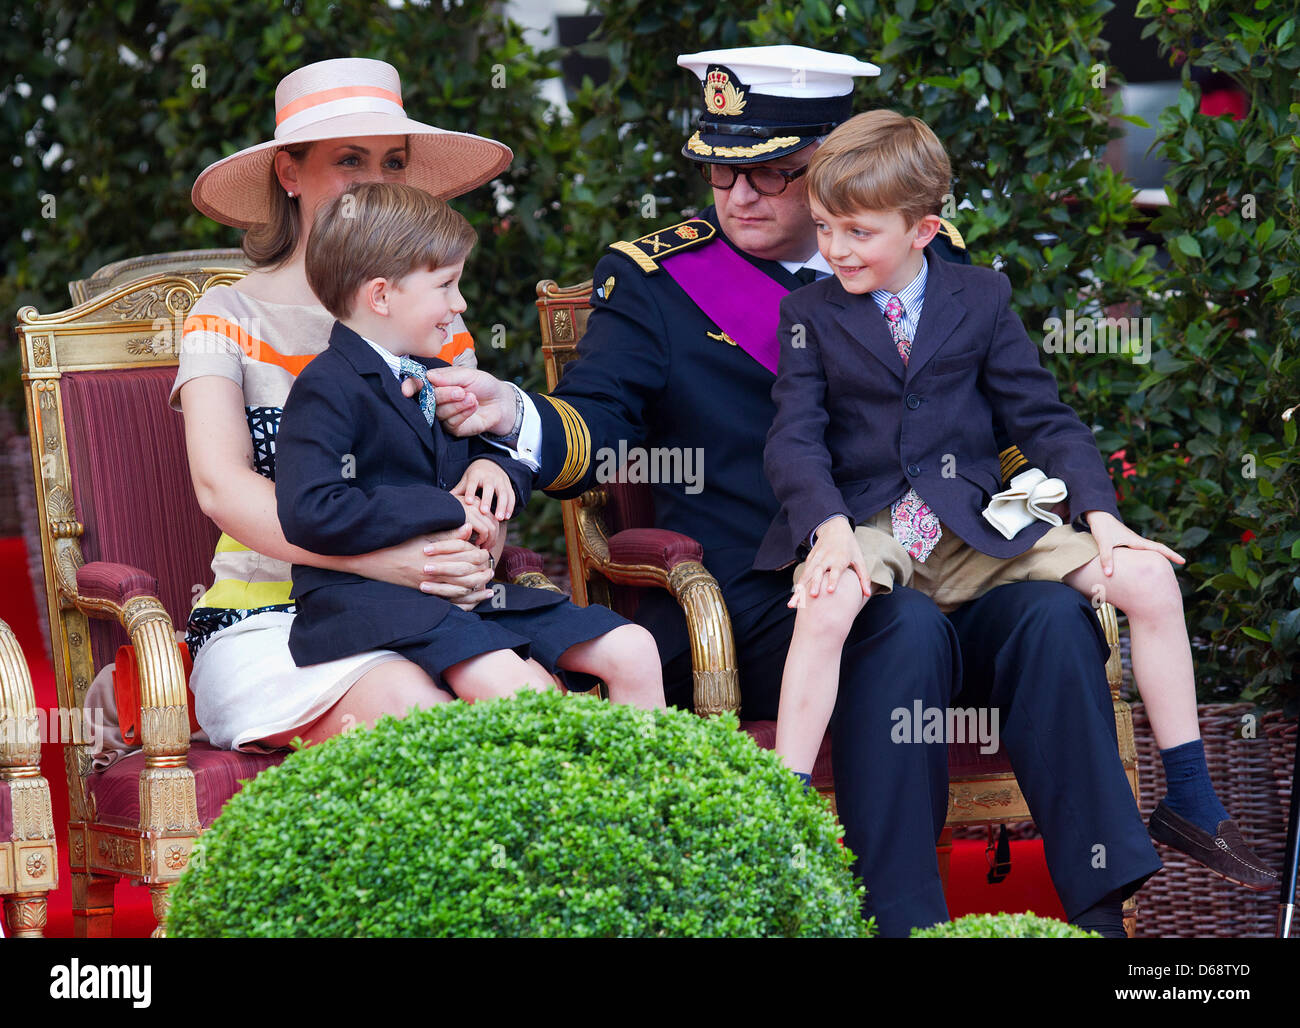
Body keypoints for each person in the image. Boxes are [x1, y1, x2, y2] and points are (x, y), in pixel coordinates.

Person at [416, 45, 1164, 937]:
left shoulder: (931, 263)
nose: (739, 197)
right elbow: (597, 420)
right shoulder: (658, 284)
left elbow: (1004, 436)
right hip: (762, 595)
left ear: (838, 171)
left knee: (1049, 618)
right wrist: (510, 420)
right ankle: (902, 924)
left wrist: (1059, 531)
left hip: (937, 563)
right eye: (722, 172)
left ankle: (1104, 920)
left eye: (774, 174)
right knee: (898, 626)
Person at [758, 110, 1277, 891]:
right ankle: (780, 814)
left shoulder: (982, 295)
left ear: (924, 227)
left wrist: (1102, 518)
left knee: (1149, 579)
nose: (835, 250)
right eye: (826, 228)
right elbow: (793, 440)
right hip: (878, 524)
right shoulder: (809, 314)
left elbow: (1041, 418)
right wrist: (827, 531)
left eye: (859, 233)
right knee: (827, 601)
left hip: (976, 525)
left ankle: (1191, 800)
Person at [172, 57, 524, 751]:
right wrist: (375, 564)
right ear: (289, 172)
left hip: (425, 608)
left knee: (542, 693)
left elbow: (472, 478)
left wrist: (477, 546)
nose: (376, 181)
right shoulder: (228, 313)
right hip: (270, 620)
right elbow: (221, 486)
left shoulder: (436, 315)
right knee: (420, 716)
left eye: (393, 162)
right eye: (349, 160)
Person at [274, 182, 664, 710]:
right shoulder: (326, 387)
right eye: (446, 285)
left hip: (461, 599)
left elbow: (493, 447)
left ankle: (654, 793)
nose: (459, 305)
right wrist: (446, 507)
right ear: (382, 295)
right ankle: (579, 794)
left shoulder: (439, 375)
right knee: (517, 685)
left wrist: (495, 466)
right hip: (364, 607)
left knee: (634, 648)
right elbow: (309, 510)